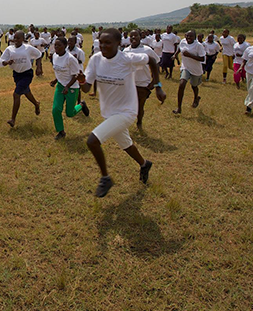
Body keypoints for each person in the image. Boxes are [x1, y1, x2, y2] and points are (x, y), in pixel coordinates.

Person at [76, 28, 158, 197]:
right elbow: (86, 89)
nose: (103, 46)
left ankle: (105, 178)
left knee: (92, 141)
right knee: (126, 144)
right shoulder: (95, 60)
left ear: (119, 44)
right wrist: (82, 80)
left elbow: (152, 61)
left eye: (108, 42)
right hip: (109, 113)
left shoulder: (127, 59)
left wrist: (158, 85)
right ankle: (144, 164)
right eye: (101, 42)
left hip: (127, 112)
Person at [0, 31, 43, 127]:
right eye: (14, 38)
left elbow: (39, 54)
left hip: (27, 74)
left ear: (23, 39)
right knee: (26, 92)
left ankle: (13, 119)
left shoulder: (28, 48)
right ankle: (36, 104)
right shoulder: (9, 49)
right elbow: (0, 61)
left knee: (16, 94)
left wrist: (38, 67)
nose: (16, 40)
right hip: (16, 75)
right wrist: (6, 62)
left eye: (18, 38)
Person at [125, 30, 166, 128]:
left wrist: (155, 83)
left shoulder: (147, 50)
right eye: (131, 36)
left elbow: (156, 64)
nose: (133, 38)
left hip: (143, 84)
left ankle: (139, 122)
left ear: (140, 37)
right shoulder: (126, 51)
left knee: (140, 106)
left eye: (136, 35)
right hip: (130, 84)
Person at [50, 37, 89, 139]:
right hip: (60, 86)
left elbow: (76, 75)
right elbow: (58, 71)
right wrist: (55, 80)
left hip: (72, 87)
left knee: (70, 113)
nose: (56, 47)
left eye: (59, 45)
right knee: (56, 109)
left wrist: (67, 86)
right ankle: (61, 132)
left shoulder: (70, 59)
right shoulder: (54, 56)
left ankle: (81, 105)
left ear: (65, 46)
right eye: (55, 45)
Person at [173, 30, 205, 114]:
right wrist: (175, 55)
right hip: (185, 67)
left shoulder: (198, 46)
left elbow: (202, 58)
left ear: (195, 37)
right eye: (187, 36)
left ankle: (196, 98)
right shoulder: (183, 42)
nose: (188, 38)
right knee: (182, 84)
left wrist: (190, 55)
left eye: (191, 36)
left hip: (195, 69)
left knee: (194, 86)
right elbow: (180, 48)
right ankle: (179, 108)